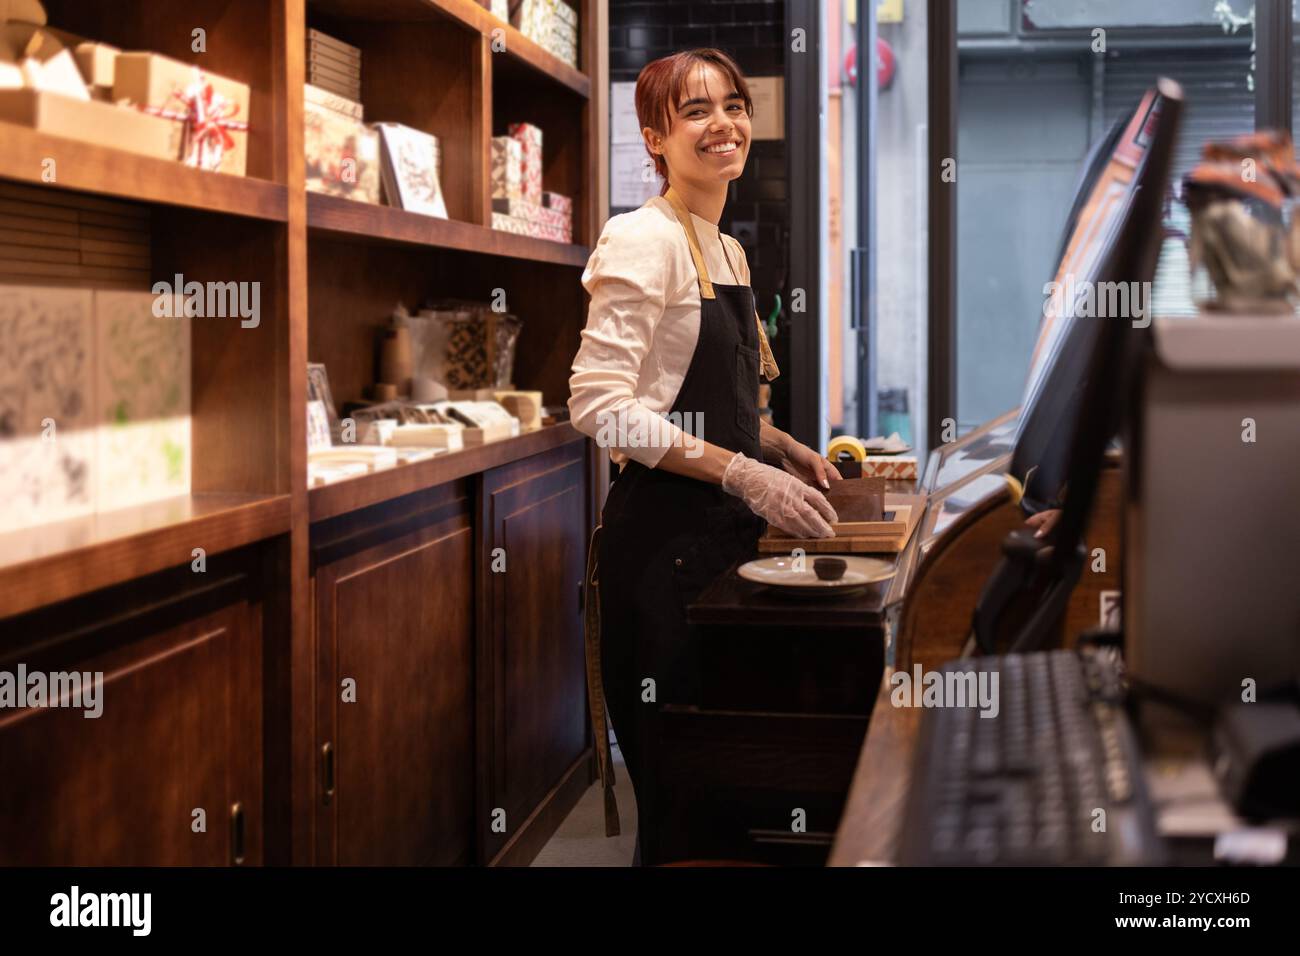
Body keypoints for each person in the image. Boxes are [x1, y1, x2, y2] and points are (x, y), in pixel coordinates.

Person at [568, 48, 840, 865]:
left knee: (726, 787)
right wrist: (741, 470)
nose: (722, 123)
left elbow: (721, 404)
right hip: (662, 551)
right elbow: (601, 406)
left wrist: (782, 447)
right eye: (695, 111)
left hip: (723, 544)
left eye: (733, 105)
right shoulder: (641, 239)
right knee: (682, 791)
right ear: (655, 138)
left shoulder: (726, 250)